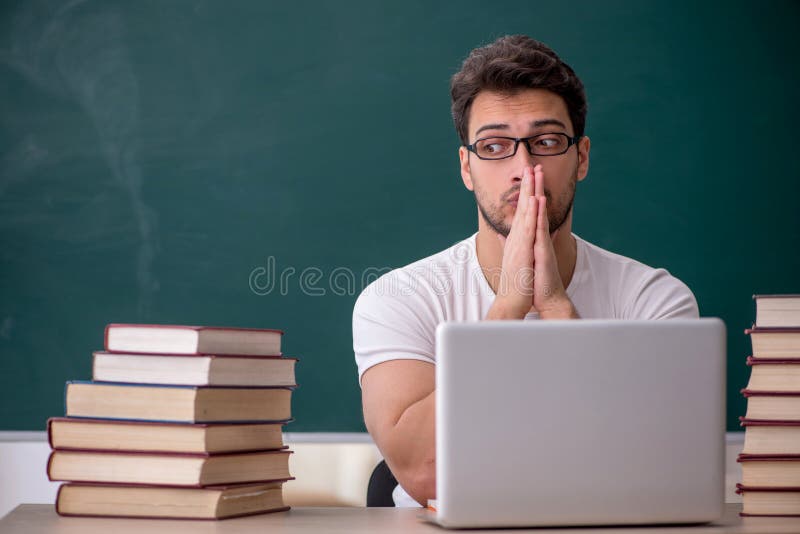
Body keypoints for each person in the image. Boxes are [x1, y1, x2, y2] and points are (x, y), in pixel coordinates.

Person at [352, 35, 698, 508]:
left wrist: (556, 307)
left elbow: (661, 472)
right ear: (467, 168)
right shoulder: (397, 298)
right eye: (495, 146)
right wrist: (508, 308)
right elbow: (422, 472)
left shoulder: (654, 299)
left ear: (582, 158)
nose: (524, 166)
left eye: (548, 141)